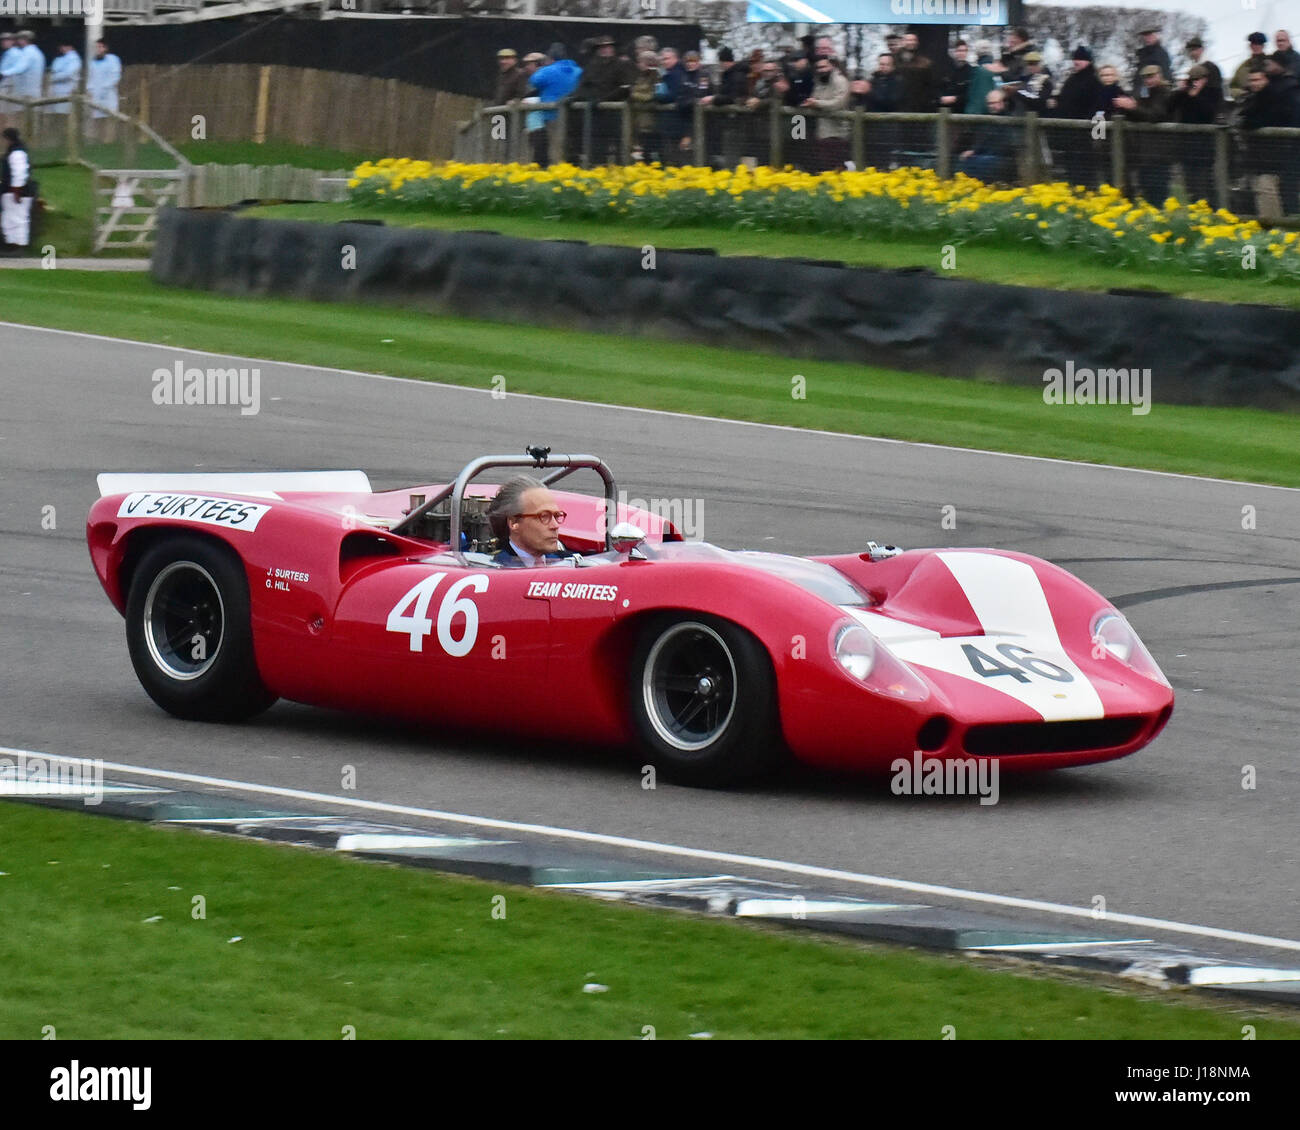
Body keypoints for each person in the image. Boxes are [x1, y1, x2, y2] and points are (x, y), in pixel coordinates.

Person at [1115, 66, 1173, 203]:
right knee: (1144, 188)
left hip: (1160, 152)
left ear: (1159, 75)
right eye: (1146, 77)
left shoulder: (1164, 93)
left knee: (1158, 191)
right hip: (1143, 152)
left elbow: (1155, 115)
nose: (1149, 80)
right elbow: (1138, 114)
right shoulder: (1143, 92)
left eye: (1151, 76)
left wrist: (1133, 107)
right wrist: (1128, 108)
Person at [1051, 46, 1105, 188]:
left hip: (1085, 135)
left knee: (1085, 170)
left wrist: (1097, 134)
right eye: (1075, 59)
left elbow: (1099, 109)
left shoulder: (1094, 82)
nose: (1076, 62)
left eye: (1080, 59)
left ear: (1088, 61)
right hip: (1069, 134)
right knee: (1071, 168)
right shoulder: (1071, 80)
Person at [487, 477, 573, 567]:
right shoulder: (496, 569)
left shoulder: (568, 562)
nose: (555, 526)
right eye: (544, 516)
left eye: (557, 516)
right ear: (513, 523)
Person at [528, 43, 582, 166]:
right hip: (575, 116)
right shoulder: (578, 70)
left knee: (553, 147)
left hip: (551, 115)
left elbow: (534, 81)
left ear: (550, 58)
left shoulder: (548, 71)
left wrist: (544, 68)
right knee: (571, 147)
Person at [958, 88, 1017, 183]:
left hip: (1002, 158)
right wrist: (973, 150)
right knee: (966, 160)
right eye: (989, 103)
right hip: (984, 156)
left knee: (984, 163)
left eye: (994, 103)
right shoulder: (986, 119)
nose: (991, 106)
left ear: (1004, 102)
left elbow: (1007, 145)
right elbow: (980, 140)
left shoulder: (1011, 119)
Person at [803, 54, 850, 171]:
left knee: (836, 168)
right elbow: (815, 97)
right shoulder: (819, 82)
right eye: (819, 68)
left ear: (832, 66)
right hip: (822, 132)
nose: (821, 70)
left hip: (837, 133)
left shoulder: (840, 81)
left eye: (824, 67)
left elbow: (839, 103)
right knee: (824, 168)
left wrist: (817, 104)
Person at [1, 126, 33, 253]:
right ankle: (11, 244)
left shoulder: (17, 152)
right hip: (10, 191)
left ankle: (19, 246)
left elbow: (19, 173)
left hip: (18, 192)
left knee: (19, 218)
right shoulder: (13, 151)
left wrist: (16, 191)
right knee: (9, 219)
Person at [87, 39, 122, 142]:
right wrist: (89, 90)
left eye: (100, 47)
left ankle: (109, 140)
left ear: (106, 48)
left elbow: (115, 76)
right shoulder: (93, 62)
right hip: (96, 95)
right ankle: (98, 140)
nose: (98, 49)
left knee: (109, 117)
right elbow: (90, 78)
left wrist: (106, 87)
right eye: (97, 47)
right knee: (97, 118)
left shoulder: (113, 60)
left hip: (108, 94)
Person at [1184, 36, 1223, 103]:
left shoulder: (1210, 67)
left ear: (1201, 50)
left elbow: (1214, 90)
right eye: (1190, 50)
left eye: (1194, 49)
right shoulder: (1194, 68)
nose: (1192, 53)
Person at [46, 43, 80, 117]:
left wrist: (54, 77)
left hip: (66, 91)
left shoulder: (74, 58)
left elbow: (68, 74)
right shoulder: (59, 58)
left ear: (70, 47)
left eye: (64, 46)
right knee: (55, 116)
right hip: (55, 92)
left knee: (63, 115)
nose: (62, 48)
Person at [1232, 33, 1270, 100]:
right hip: (1249, 104)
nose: (1256, 46)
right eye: (1254, 44)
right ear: (1250, 46)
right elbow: (1233, 87)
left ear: (1263, 46)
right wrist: (1242, 94)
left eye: (1259, 44)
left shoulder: (1271, 63)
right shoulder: (1243, 67)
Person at [1135, 26, 1172, 91]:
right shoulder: (1142, 53)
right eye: (1145, 36)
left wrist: (1165, 87)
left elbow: (1165, 72)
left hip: (1156, 89)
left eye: (1150, 35)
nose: (1147, 38)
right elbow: (1139, 74)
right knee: (1143, 98)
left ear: (1156, 36)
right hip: (1143, 88)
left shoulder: (1161, 53)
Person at [940, 40, 973, 112]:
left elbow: (970, 93)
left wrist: (955, 98)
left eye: (964, 51)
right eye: (959, 50)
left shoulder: (970, 71)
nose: (962, 53)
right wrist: (941, 98)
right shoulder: (946, 68)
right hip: (945, 109)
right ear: (955, 52)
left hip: (962, 110)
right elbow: (940, 86)